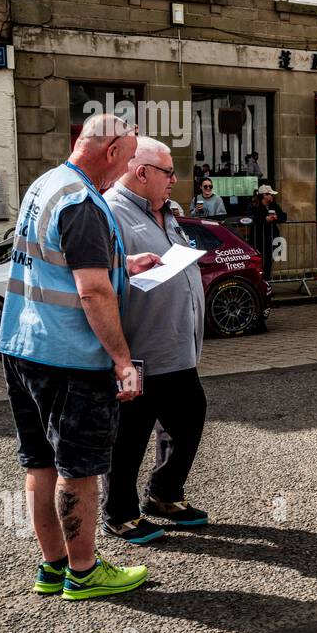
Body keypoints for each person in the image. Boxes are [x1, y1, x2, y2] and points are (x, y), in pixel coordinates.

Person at [0, 113, 160, 601]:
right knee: (79, 468)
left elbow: (62, 260)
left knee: (40, 463)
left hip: (23, 346)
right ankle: (85, 572)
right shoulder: (84, 202)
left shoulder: (47, 184)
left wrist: (122, 263)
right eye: (128, 156)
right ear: (110, 151)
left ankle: (53, 567)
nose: (128, 166)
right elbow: (91, 293)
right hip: (70, 356)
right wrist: (123, 360)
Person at [103, 138, 209, 543]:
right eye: (168, 172)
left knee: (187, 419)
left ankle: (163, 495)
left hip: (177, 348)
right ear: (141, 171)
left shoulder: (165, 213)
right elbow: (99, 282)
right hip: (138, 351)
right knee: (128, 435)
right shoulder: (112, 213)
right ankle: (120, 513)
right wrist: (118, 356)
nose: (175, 180)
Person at [248, 184, 286, 279]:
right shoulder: (254, 205)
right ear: (265, 195)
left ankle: (266, 284)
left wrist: (277, 218)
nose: (272, 196)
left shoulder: (273, 205)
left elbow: (284, 216)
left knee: (268, 262)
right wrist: (265, 219)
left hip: (271, 238)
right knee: (259, 263)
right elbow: (249, 218)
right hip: (259, 239)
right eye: (271, 194)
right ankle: (259, 284)